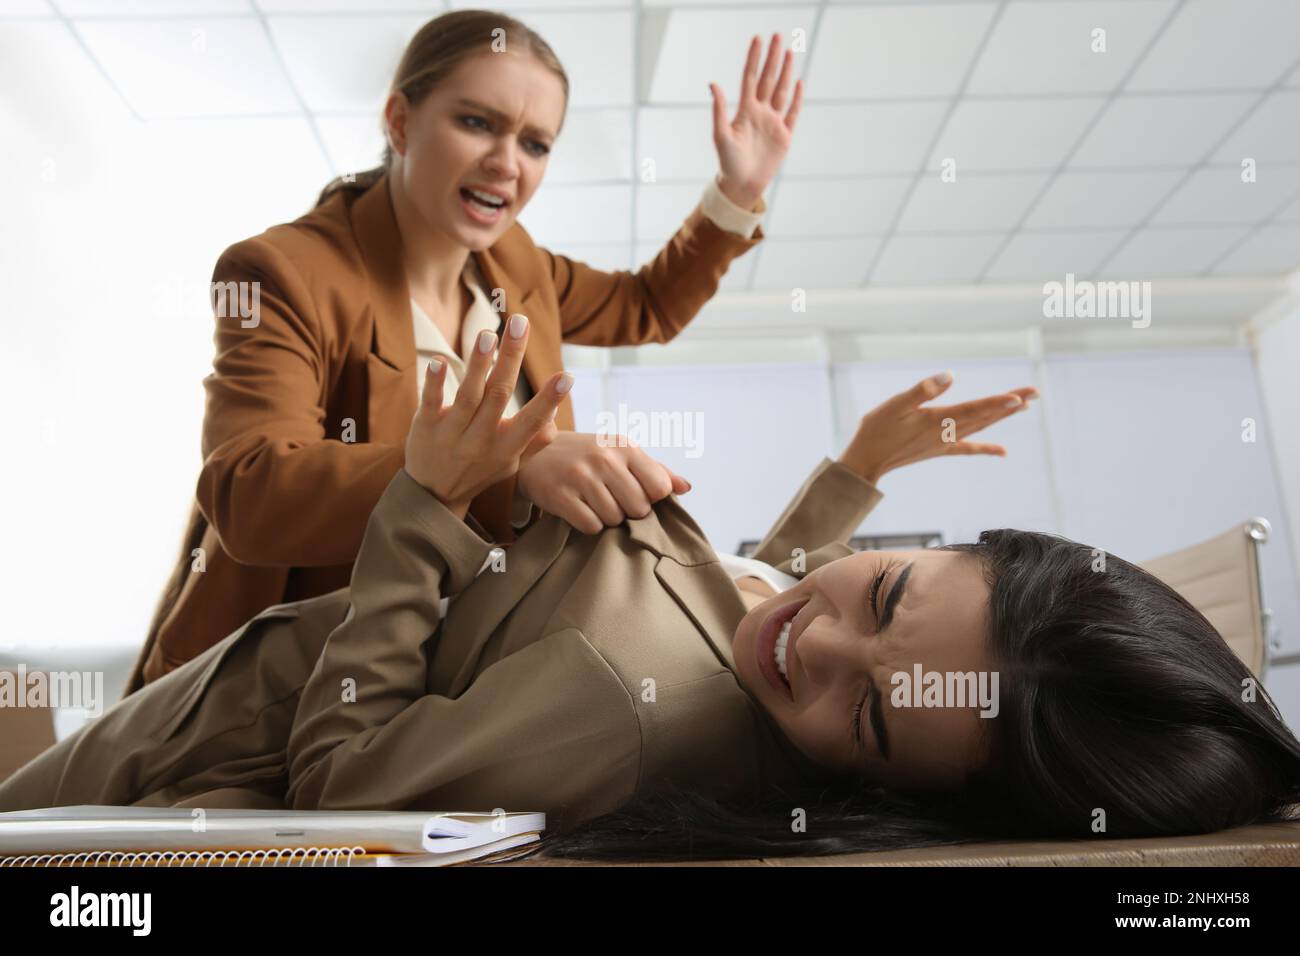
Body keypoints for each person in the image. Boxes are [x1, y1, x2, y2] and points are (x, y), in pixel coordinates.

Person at [6, 323, 1299, 863]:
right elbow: (762, 610)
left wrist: (428, 505)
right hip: (211, 695)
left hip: (199, 738)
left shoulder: (616, 716)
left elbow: (347, 788)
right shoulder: (768, 678)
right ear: (942, 545)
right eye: (893, 587)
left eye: (871, 719)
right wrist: (849, 480)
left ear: (890, 790)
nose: (822, 647)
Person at [126, 9, 805, 693]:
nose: (507, 163)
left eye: (536, 144)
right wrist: (508, 470)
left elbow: (644, 307)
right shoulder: (283, 271)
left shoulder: (518, 266)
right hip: (283, 688)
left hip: (457, 678)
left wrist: (739, 192)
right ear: (399, 121)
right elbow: (252, 493)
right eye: (477, 123)